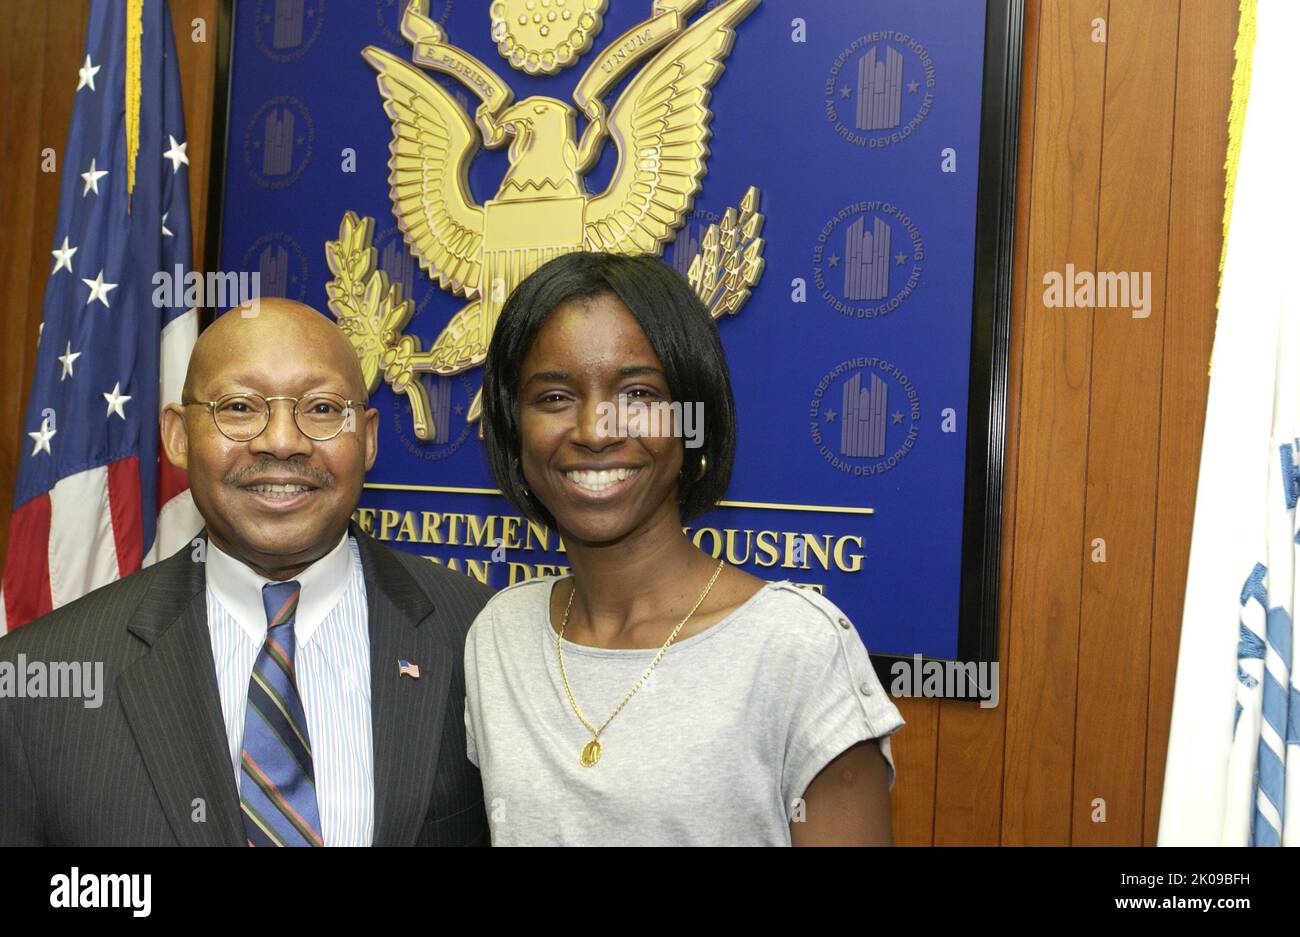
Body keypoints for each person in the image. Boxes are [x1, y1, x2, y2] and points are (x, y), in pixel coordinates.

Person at [0, 298, 491, 846]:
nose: (282, 442)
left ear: (368, 438)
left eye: (323, 409)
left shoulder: (478, 637)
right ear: (179, 435)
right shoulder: (37, 682)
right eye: (238, 407)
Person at [467, 252, 905, 846]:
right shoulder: (499, 636)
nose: (597, 430)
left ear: (693, 425)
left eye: (639, 394)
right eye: (553, 398)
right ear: (514, 434)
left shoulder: (795, 647)